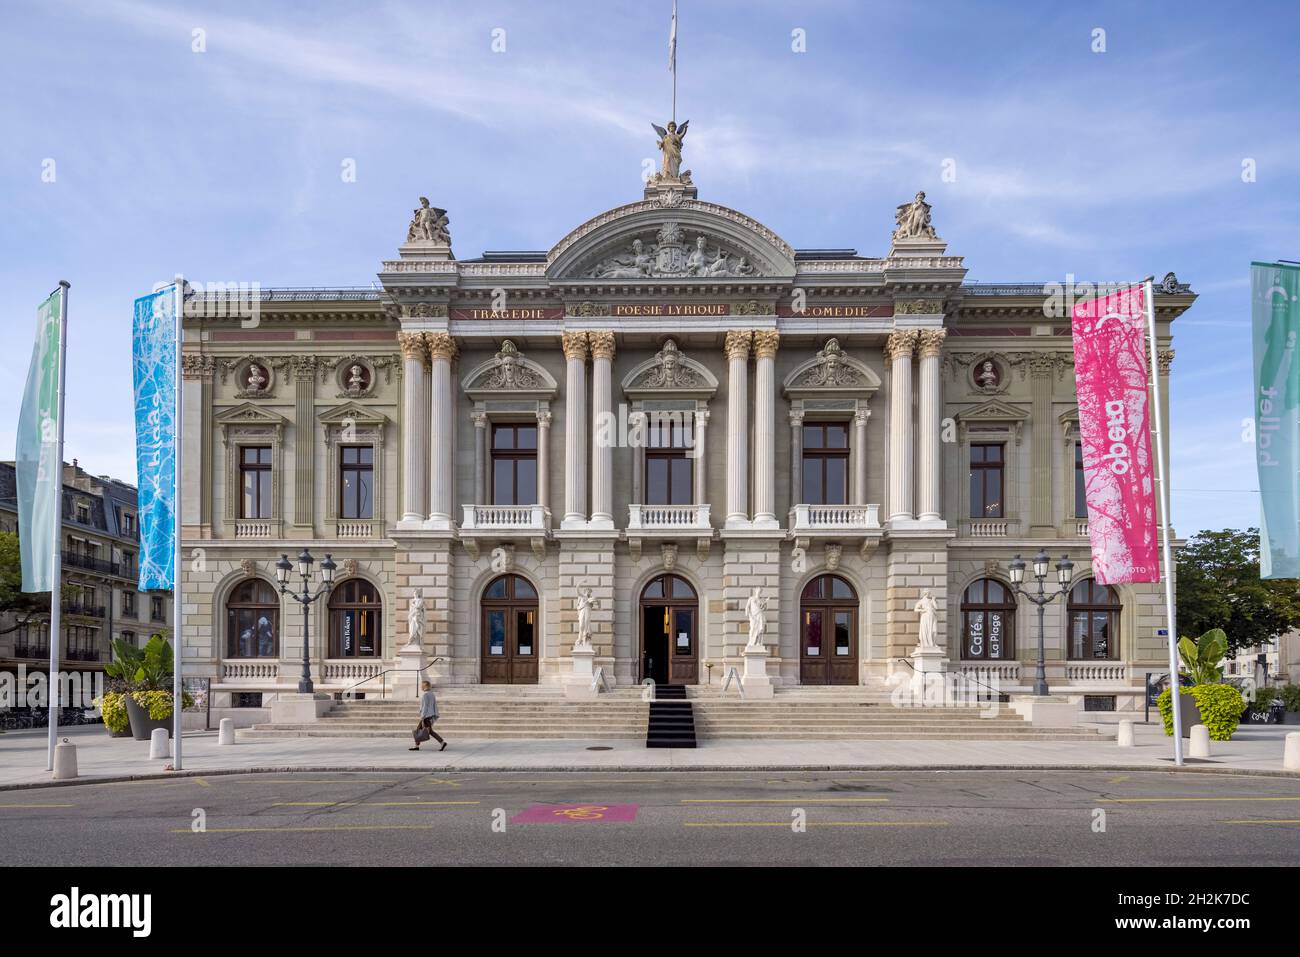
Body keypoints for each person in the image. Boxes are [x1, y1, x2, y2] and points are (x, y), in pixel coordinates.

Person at [410, 680, 447, 751]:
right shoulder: (432, 694)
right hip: (430, 715)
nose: (421, 686)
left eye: (421, 685)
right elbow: (433, 705)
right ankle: (417, 745)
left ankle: (442, 742)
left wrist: (422, 716)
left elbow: (425, 706)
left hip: (426, 716)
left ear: (424, 686)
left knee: (422, 730)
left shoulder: (425, 695)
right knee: (425, 730)